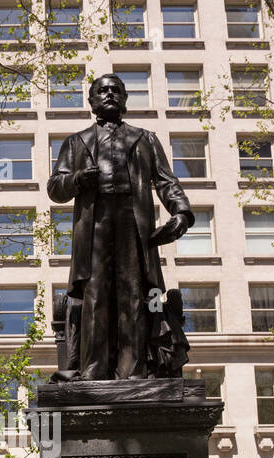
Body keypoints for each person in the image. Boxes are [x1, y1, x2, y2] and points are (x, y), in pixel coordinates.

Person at [47, 74, 194, 380]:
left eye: (116, 90)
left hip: (133, 224)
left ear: (125, 98)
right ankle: (93, 372)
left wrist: (181, 211)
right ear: (91, 101)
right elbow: (55, 188)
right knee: (95, 297)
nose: (110, 94)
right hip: (95, 227)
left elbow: (166, 181)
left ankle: (133, 372)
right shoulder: (76, 142)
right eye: (103, 90)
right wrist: (77, 179)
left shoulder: (145, 138)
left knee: (133, 296)